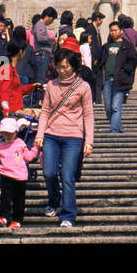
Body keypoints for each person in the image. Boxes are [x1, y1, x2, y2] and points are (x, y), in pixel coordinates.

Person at [35, 43, 94, 227]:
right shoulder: (51, 85)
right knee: (49, 172)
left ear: (73, 66)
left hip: (73, 137)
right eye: (59, 66)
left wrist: (89, 141)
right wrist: (40, 134)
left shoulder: (83, 87)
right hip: (51, 134)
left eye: (65, 66)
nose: (61, 70)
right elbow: (45, 111)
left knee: (67, 176)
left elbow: (88, 114)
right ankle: (54, 200)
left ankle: (68, 214)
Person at [0, 117, 40, 229]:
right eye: (5, 133)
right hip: (6, 176)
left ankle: (17, 219)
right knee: (5, 198)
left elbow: (28, 157)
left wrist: (35, 148)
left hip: (20, 177)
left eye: (10, 133)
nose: (8, 136)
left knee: (19, 200)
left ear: (16, 132)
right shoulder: (0, 146)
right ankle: (3, 216)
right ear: (1, 133)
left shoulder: (20, 143)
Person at [100, 21, 137, 134]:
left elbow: (133, 62)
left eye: (115, 30)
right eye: (111, 30)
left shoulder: (128, 46)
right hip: (108, 79)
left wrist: (124, 70)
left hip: (120, 80)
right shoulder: (107, 46)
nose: (113, 33)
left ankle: (113, 131)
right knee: (108, 108)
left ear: (121, 31)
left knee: (115, 107)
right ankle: (119, 127)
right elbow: (101, 60)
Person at [0, 41, 40, 116]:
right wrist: (6, 112)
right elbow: (3, 91)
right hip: (12, 113)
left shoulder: (12, 69)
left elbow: (16, 90)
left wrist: (32, 87)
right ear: (20, 52)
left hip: (16, 110)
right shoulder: (6, 69)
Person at [31, 8, 56, 97]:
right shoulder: (40, 24)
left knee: (41, 79)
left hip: (43, 55)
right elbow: (41, 38)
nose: (51, 22)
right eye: (52, 19)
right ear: (47, 16)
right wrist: (53, 40)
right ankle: (38, 100)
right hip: (42, 54)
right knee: (40, 80)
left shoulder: (40, 25)